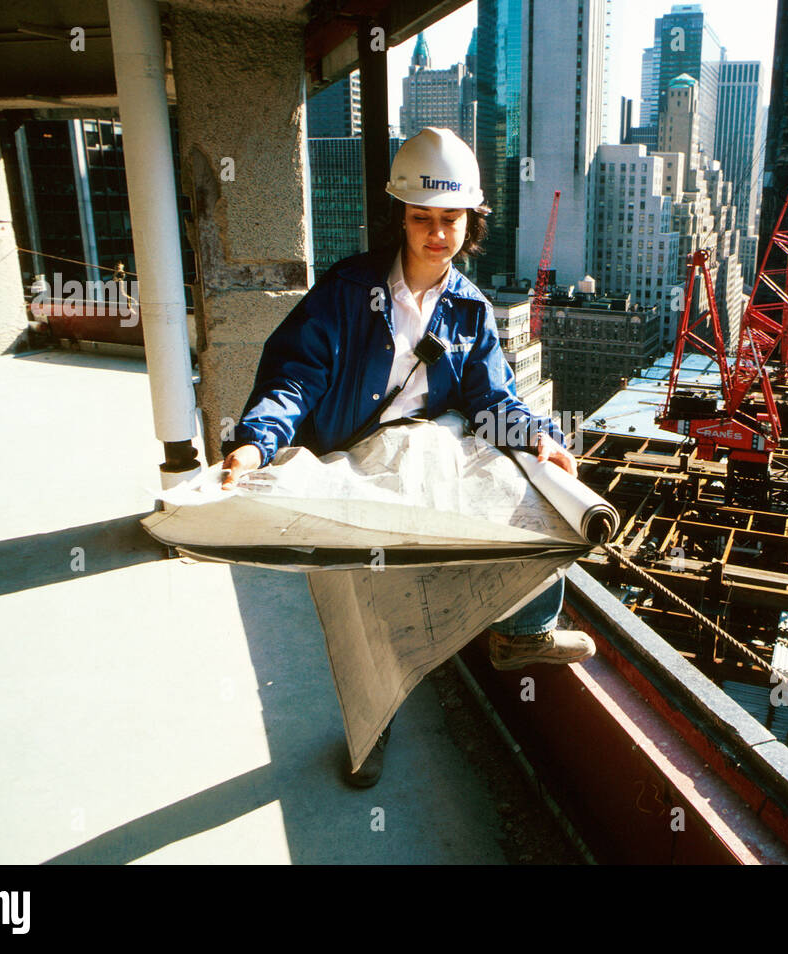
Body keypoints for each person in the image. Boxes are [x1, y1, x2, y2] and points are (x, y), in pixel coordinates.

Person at [218, 126, 595, 787]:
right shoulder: (346, 292)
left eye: (450, 220)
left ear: (469, 223)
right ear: (401, 217)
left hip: (435, 447)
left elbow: (491, 401)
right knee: (370, 589)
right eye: (423, 218)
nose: (436, 234)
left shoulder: (471, 312)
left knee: (530, 501)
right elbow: (295, 378)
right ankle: (374, 724)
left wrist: (538, 439)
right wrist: (254, 441)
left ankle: (523, 630)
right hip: (360, 456)